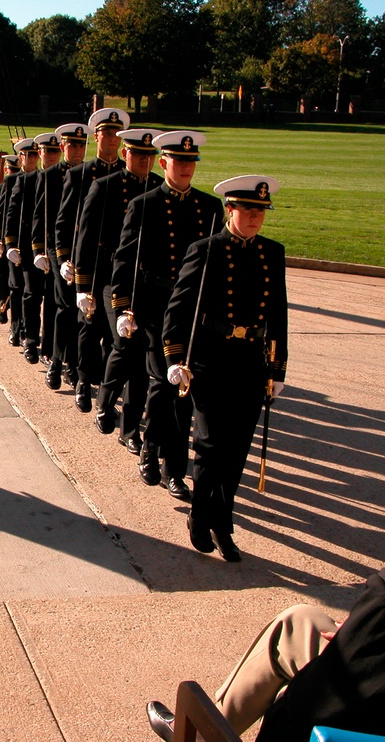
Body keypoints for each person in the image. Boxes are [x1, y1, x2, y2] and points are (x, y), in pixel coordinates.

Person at [146, 399, 385, 742]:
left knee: (296, 680)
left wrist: (367, 639)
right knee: (300, 622)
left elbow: (305, 713)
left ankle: (200, 730)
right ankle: (197, 727)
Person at [163, 175, 285, 560]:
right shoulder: (206, 250)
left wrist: (277, 368)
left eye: (260, 212)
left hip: (250, 362)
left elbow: (278, 314)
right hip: (210, 360)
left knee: (236, 450)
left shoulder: (271, 253)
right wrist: (174, 357)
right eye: (248, 210)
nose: (254, 219)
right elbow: (179, 308)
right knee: (211, 445)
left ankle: (223, 522)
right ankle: (201, 517)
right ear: (230, 209)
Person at [110, 130, 223, 501]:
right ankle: (150, 450)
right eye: (179, 161)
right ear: (164, 163)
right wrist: (123, 306)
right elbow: (125, 258)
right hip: (156, 306)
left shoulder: (209, 209)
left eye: (191, 162)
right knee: (162, 383)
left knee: (184, 393)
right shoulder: (144, 205)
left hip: (193, 312)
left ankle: (175, 470)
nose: (186, 168)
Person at [75, 128, 162, 452]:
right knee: (123, 345)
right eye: (138, 154)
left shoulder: (157, 189)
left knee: (140, 360)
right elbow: (84, 238)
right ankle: (103, 397)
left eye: (149, 156)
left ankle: (130, 429)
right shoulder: (104, 186)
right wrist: (83, 285)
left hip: (148, 283)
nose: (144, 161)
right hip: (111, 277)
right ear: (126, 154)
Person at [56, 108, 129, 412]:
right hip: (91, 261)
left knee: (116, 334)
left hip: (121, 264)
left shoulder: (130, 173)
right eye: (106, 133)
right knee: (90, 325)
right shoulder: (80, 174)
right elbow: (64, 221)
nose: (111, 138)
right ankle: (85, 381)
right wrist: (65, 258)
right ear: (96, 136)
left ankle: (109, 389)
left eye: (116, 134)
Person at [35, 122, 88, 391]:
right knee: (64, 306)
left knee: (82, 313)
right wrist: (38, 249)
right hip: (60, 250)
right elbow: (41, 215)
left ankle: (75, 363)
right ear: (63, 146)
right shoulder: (51, 175)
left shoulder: (91, 175)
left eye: (82, 145)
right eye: (73, 145)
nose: (77, 149)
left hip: (85, 250)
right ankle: (57, 360)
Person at [5, 132, 60, 365]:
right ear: (40, 153)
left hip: (56, 250)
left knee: (53, 301)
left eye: (56, 151)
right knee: (32, 294)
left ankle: (48, 348)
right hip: (30, 248)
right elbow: (13, 213)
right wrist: (10, 244)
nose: (52, 156)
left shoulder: (65, 178)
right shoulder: (27, 180)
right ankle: (30, 340)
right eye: (48, 151)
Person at [0, 138, 38, 348]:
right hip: (18, 242)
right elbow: (7, 214)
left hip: (35, 243)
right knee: (16, 288)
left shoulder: (43, 178)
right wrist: (8, 243)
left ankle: (28, 330)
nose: (31, 159)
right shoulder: (12, 181)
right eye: (27, 155)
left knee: (31, 291)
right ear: (21, 157)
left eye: (34, 155)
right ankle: (16, 328)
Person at [0, 155, 21, 325]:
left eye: (17, 171)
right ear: (6, 170)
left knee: (17, 280)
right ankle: (2, 302)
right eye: (11, 170)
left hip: (17, 241)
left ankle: (16, 318)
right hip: (0, 240)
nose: (13, 174)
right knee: (2, 274)